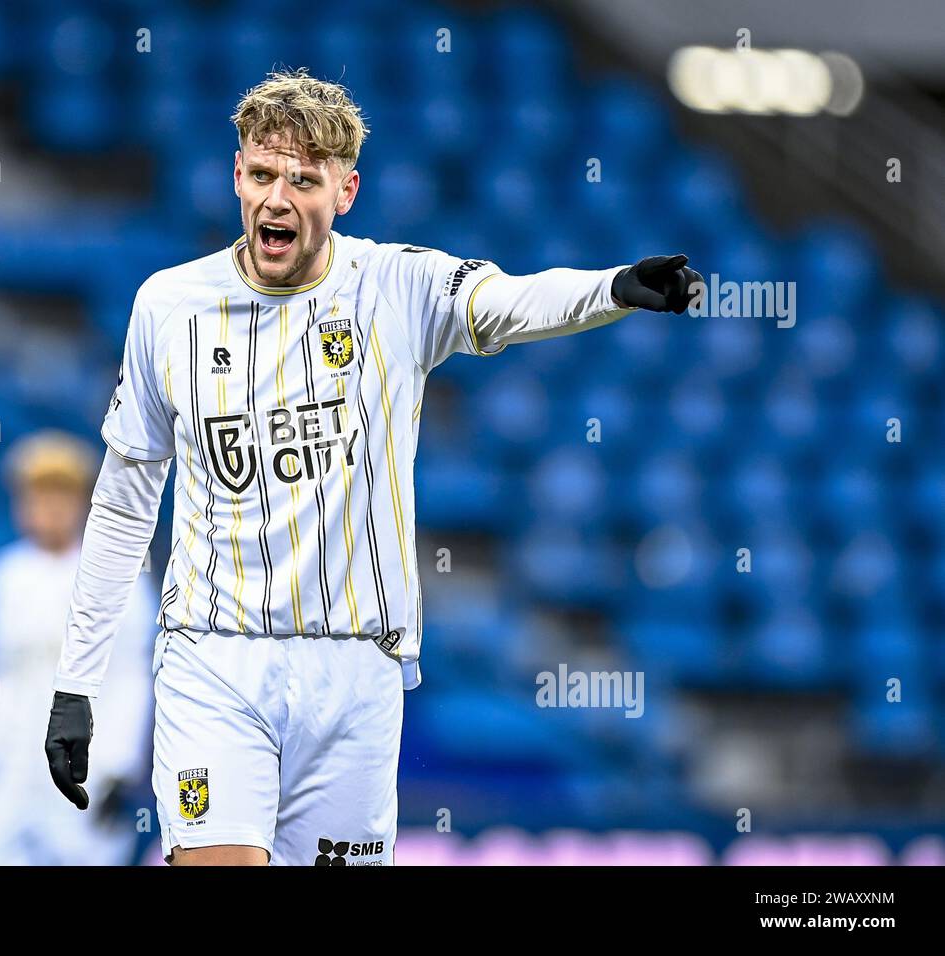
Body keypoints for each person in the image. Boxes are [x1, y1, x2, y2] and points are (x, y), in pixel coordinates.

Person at [45, 68, 703, 866]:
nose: (277, 199)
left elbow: (514, 301)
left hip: (357, 668)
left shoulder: (399, 285)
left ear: (345, 190)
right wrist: (78, 683)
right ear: (236, 176)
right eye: (260, 175)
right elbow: (124, 503)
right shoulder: (169, 306)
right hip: (213, 658)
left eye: (304, 180)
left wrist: (616, 288)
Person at [0, 431, 157, 865]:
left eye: (60, 497)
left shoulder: (120, 575)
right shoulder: (6, 573)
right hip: (11, 759)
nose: (48, 509)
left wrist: (121, 766)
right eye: (37, 497)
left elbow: (131, 675)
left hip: (85, 763)